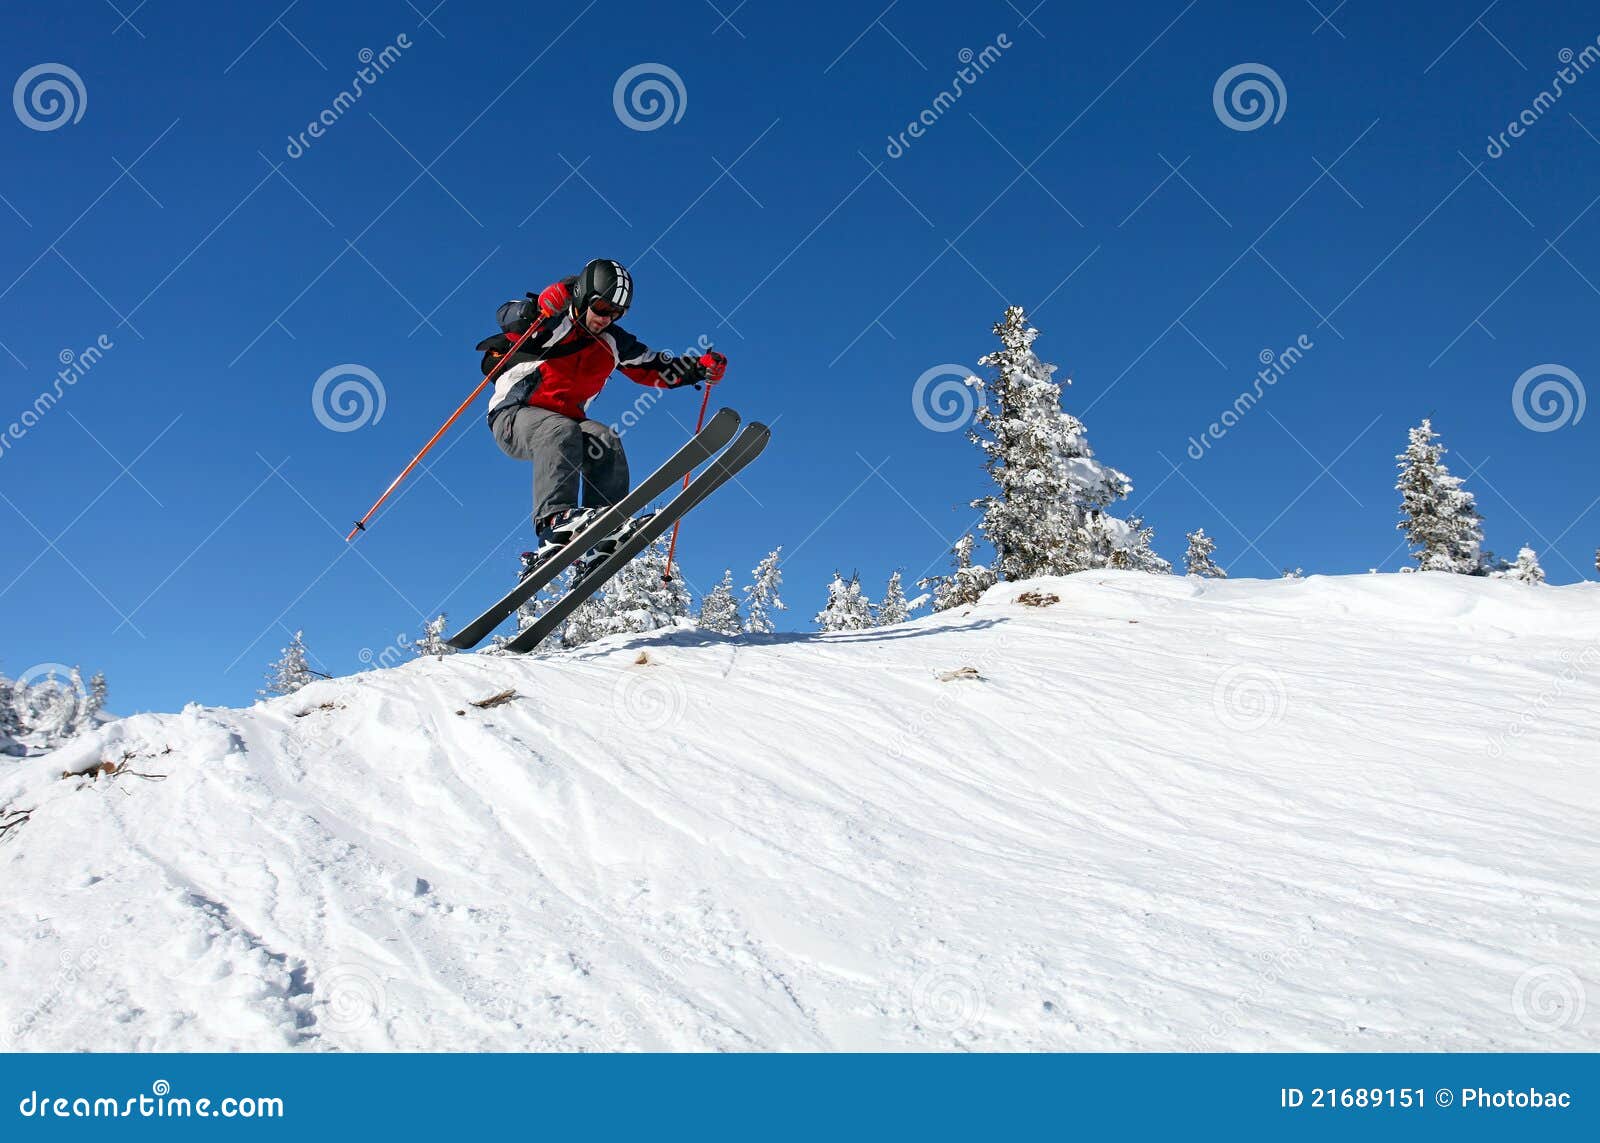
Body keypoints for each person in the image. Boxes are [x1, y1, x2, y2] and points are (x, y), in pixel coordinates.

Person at [477, 259, 727, 550]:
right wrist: (536, 308)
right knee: (560, 430)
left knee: (605, 439)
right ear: (583, 297)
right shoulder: (553, 319)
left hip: (566, 426)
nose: (607, 318)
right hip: (514, 417)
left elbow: (655, 366)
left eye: (617, 313)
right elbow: (507, 315)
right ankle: (554, 523)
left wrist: (698, 368)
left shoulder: (613, 342)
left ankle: (605, 529)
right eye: (602, 308)